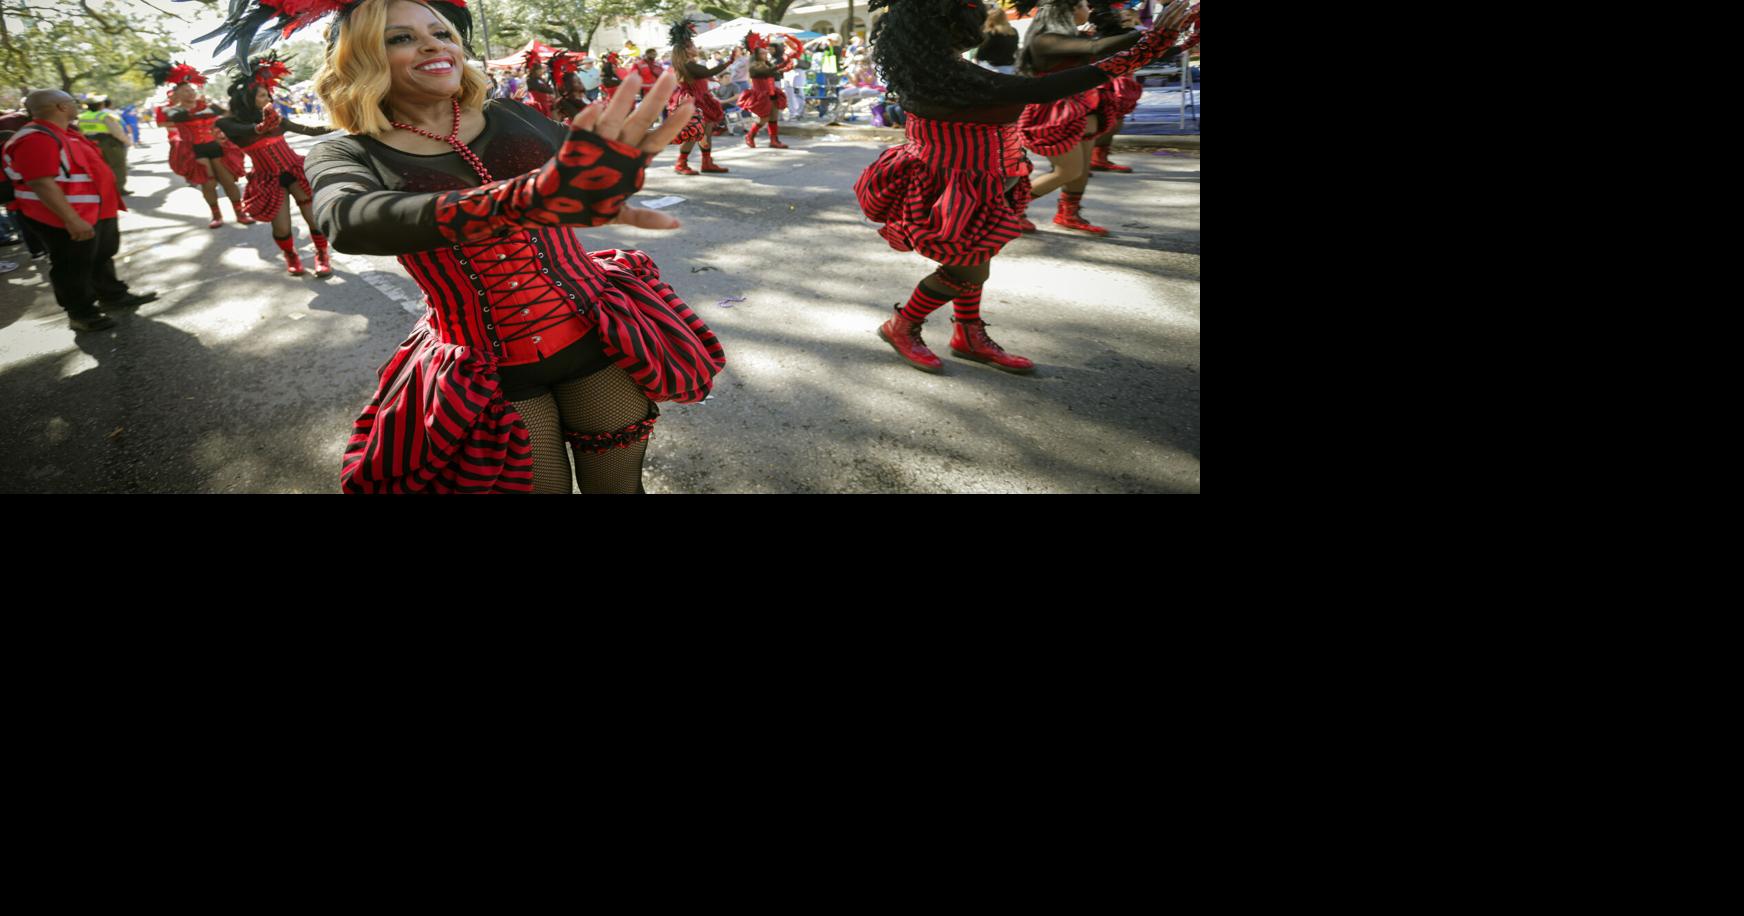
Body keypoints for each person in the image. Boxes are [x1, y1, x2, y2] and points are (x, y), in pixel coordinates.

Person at [276, 0, 724, 493]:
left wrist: (612, 168)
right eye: (399, 38)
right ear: (359, 59)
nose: (433, 44)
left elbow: (588, 174)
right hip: (489, 376)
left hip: (595, 339)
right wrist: (519, 197)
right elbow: (349, 221)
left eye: (441, 33)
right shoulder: (346, 151)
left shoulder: (512, 114)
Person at [854, 0, 1195, 373]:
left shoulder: (936, 70)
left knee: (976, 257)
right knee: (967, 271)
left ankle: (968, 335)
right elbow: (1049, 88)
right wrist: (1149, 46)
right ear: (952, 26)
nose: (982, 16)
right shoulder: (952, 77)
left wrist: (1159, 45)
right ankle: (901, 326)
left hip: (981, 185)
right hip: (959, 193)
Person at [1018, 0, 1183, 234]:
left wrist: (1181, 43)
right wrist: (1152, 32)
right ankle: (1009, 209)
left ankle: (1069, 213)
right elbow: (1096, 49)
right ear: (1069, 9)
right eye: (1084, 4)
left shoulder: (1077, 36)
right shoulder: (1043, 39)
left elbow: (1118, 51)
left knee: (1082, 170)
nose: (1089, 9)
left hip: (1080, 106)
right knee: (1068, 171)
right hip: (1052, 112)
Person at [1, 90, 158, 331]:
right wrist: (72, 219)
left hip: (95, 211)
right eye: (72, 102)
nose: (78, 106)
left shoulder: (67, 132)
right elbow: (41, 183)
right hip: (64, 216)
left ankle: (112, 295)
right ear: (60, 107)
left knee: (100, 256)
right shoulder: (36, 138)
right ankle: (81, 313)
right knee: (72, 266)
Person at [217, 53, 338, 277]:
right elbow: (245, 132)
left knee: (314, 218)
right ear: (248, 97)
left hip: (294, 169)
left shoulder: (277, 118)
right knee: (281, 227)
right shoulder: (227, 123)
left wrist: (342, 123)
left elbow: (309, 130)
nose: (268, 100)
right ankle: (290, 255)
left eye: (268, 95)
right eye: (263, 95)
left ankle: (322, 254)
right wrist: (260, 128)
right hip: (267, 178)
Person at [143, 59, 255, 228]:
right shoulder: (172, 110)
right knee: (208, 183)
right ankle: (216, 216)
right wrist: (191, 119)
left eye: (191, 89)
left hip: (216, 146)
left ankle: (240, 213)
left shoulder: (209, 105)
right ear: (177, 95)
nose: (190, 93)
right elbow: (168, 121)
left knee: (228, 182)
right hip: (194, 150)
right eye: (185, 91)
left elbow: (229, 115)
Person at [666, 18, 737, 175]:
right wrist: (729, 61)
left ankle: (707, 162)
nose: (696, 47)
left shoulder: (689, 63)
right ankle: (681, 164)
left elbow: (704, 76)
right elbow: (707, 72)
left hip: (700, 98)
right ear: (686, 50)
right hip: (692, 101)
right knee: (694, 133)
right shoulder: (687, 64)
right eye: (693, 46)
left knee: (705, 132)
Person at [1086, 0, 1144, 172]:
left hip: (1121, 79)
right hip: (1104, 80)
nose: (1123, 16)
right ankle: (1081, 161)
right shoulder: (1096, 32)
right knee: (1101, 121)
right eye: (1119, 14)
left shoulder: (1129, 32)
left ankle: (1098, 158)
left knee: (1115, 121)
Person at [738, 33, 799, 149]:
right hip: (761, 95)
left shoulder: (766, 64)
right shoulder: (754, 66)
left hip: (772, 93)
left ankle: (774, 141)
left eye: (765, 52)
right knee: (764, 119)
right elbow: (769, 71)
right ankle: (750, 135)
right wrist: (786, 61)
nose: (765, 54)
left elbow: (774, 72)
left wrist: (786, 68)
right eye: (762, 53)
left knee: (774, 118)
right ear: (756, 55)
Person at [77, 96, 132, 195]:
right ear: (101, 105)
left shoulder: (82, 117)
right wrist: (127, 141)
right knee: (117, 165)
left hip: (90, 144)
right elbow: (117, 132)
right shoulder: (105, 116)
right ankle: (118, 189)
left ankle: (102, 188)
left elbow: (79, 132)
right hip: (109, 143)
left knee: (98, 166)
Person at [975, 5, 1020, 74]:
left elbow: (980, 55)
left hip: (991, 68)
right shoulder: (1014, 31)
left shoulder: (990, 35)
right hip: (1009, 67)